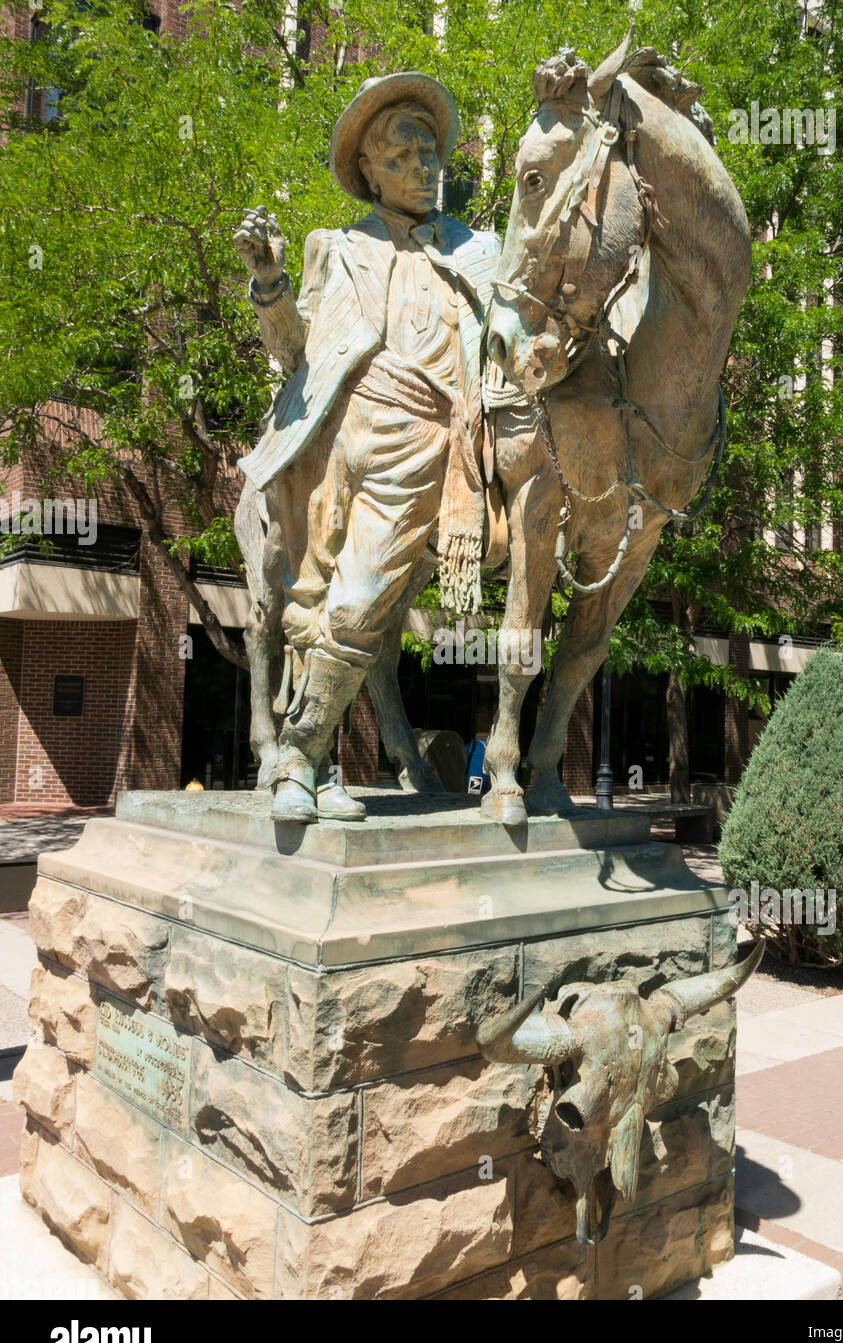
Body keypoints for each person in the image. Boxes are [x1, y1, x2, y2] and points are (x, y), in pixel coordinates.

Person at [233, 73, 500, 823]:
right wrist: (269, 285)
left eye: (431, 150)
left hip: (450, 443)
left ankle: (302, 754)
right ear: (370, 172)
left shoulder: (480, 253)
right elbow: (294, 357)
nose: (425, 165)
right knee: (330, 607)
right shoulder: (334, 249)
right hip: (353, 443)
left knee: (359, 607)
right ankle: (303, 765)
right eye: (406, 153)